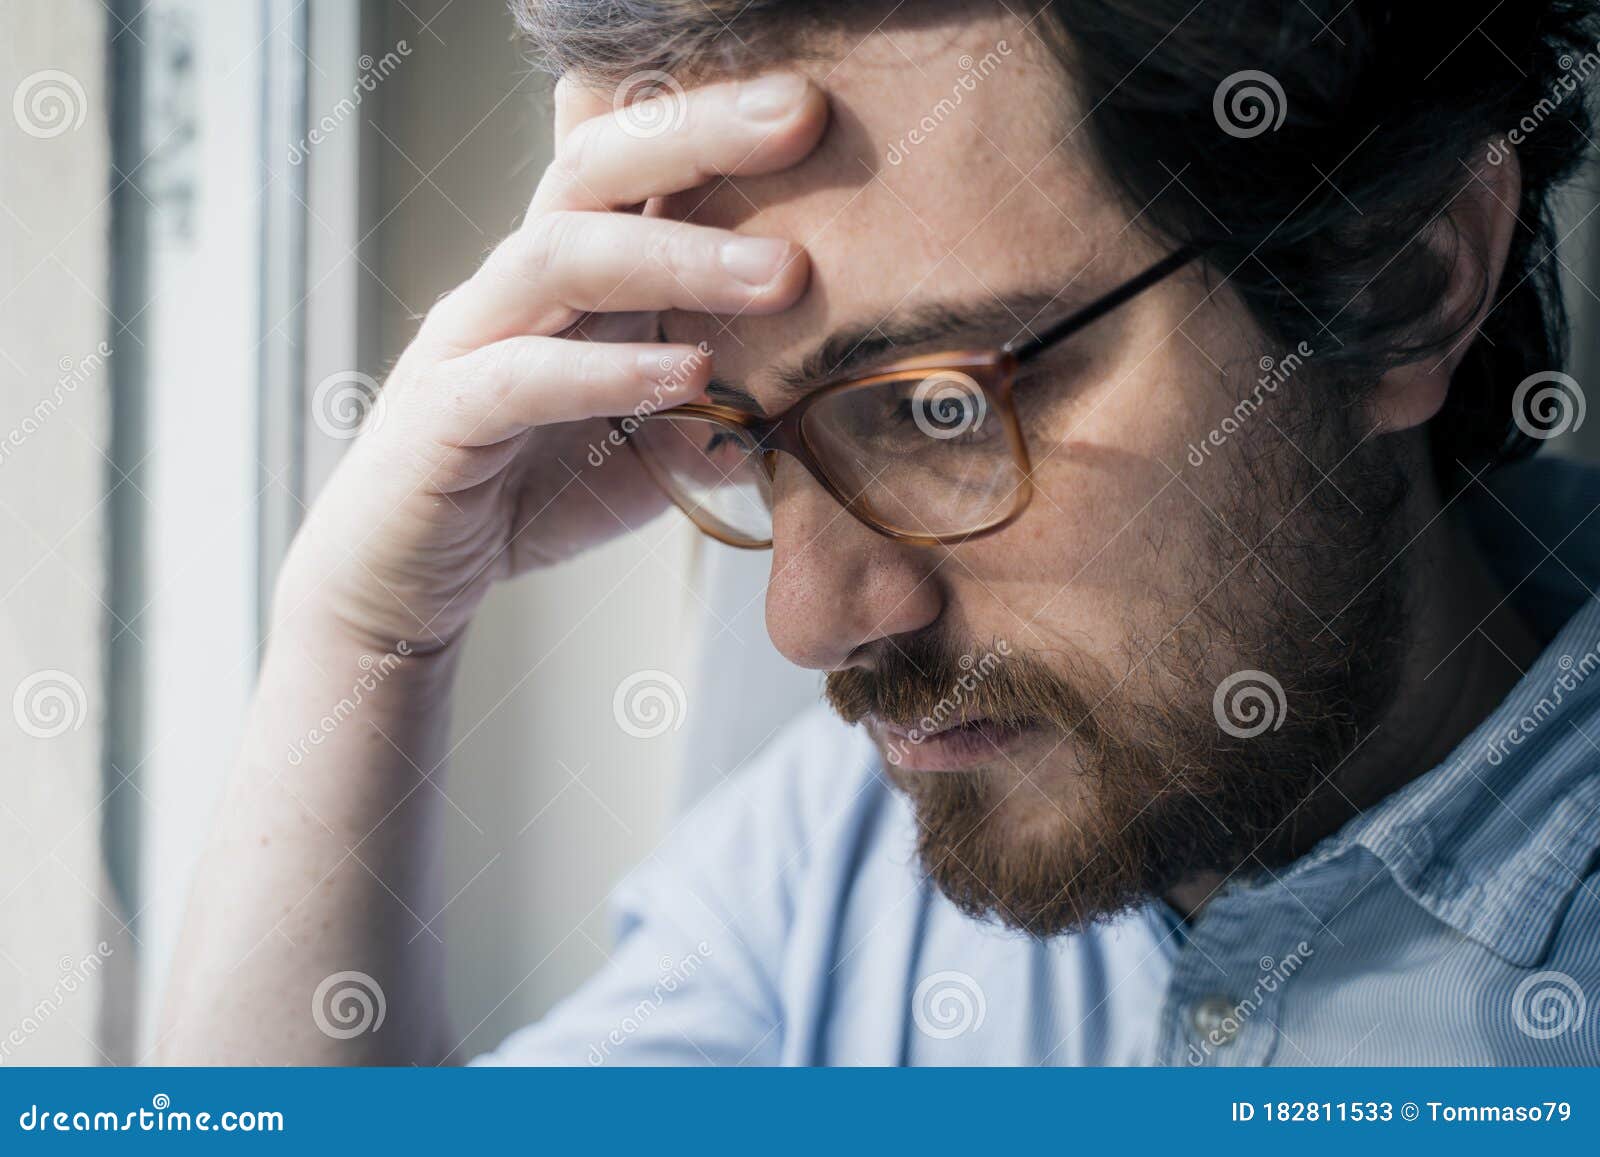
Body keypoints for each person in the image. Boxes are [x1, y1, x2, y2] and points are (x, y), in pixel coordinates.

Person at [159, 0, 1600, 1064]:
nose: (809, 621)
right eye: (743, 440)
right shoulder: (835, 866)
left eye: (935, 410)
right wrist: (369, 633)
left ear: (1398, 277)